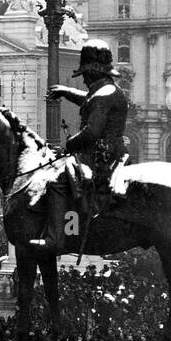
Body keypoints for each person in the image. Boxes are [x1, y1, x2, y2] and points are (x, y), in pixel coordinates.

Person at [31, 40, 129, 254]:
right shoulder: (109, 90)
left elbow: (91, 132)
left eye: (85, 74)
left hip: (100, 155)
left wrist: (70, 143)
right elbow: (88, 100)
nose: (83, 78)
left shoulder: (103, 96)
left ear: (93, 72)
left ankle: (56, 238)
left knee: (57, 180)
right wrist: (66, 92)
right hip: (112, 151)